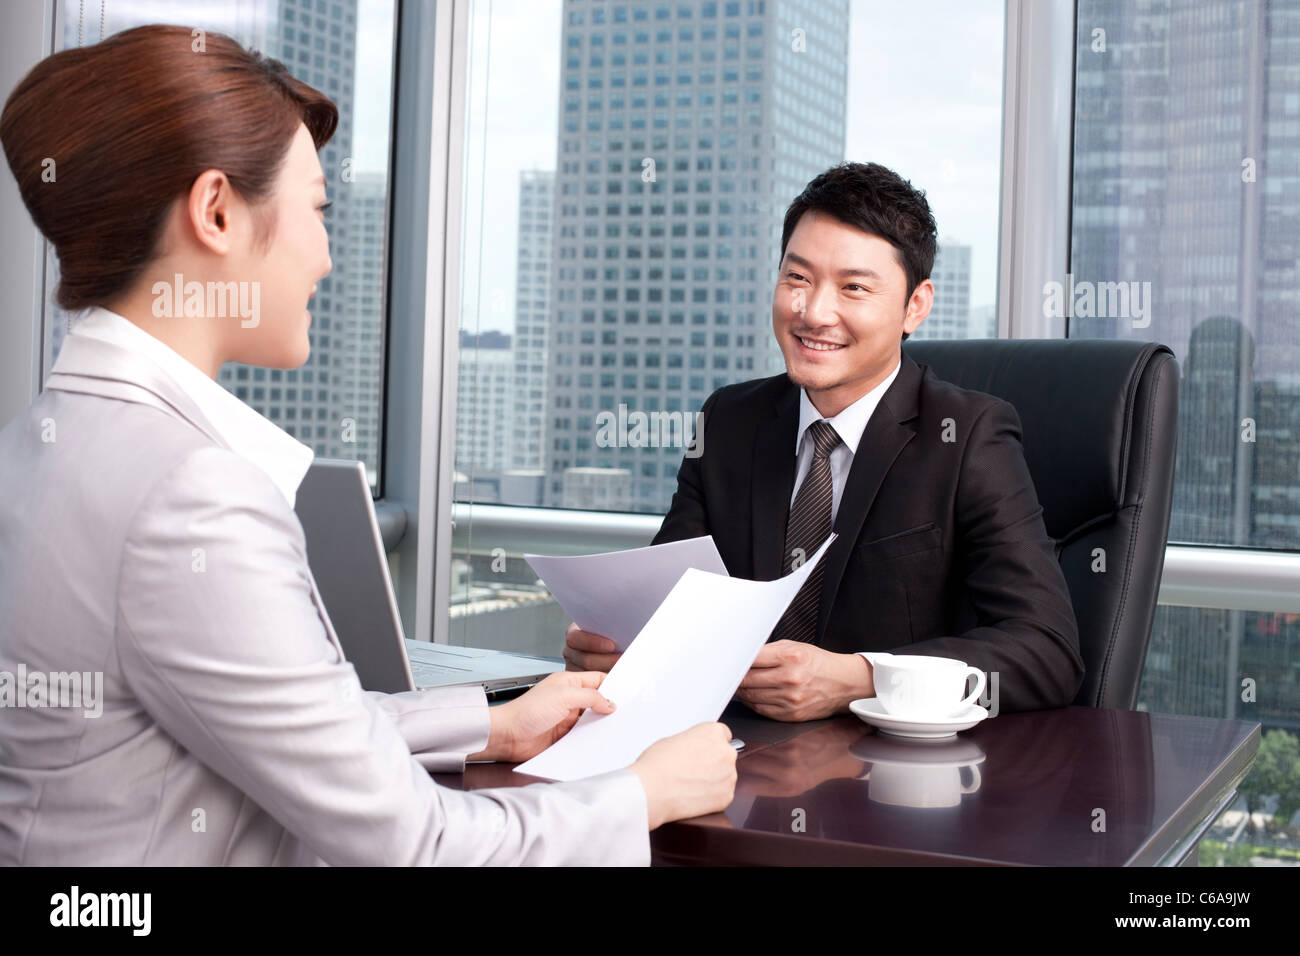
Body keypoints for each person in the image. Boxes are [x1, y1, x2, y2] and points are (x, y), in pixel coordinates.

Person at [0, 24, 736, 866]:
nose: (324, 254)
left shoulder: (39, 449)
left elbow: (265, 726)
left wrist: (490, 724)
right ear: (215, 212)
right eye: (316, 209)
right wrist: (646, 792)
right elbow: (415, 844)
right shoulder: (191, 497)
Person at [566, 162, 1085, 720]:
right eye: (797, 278)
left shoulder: (968, 438)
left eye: (854, 288)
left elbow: (1047, 652)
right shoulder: (730, 420)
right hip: (729, 761)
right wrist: (617, 644)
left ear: (916, 305)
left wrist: (860, 677)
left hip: (893, 783)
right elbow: (672, 602)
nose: (813, 312)